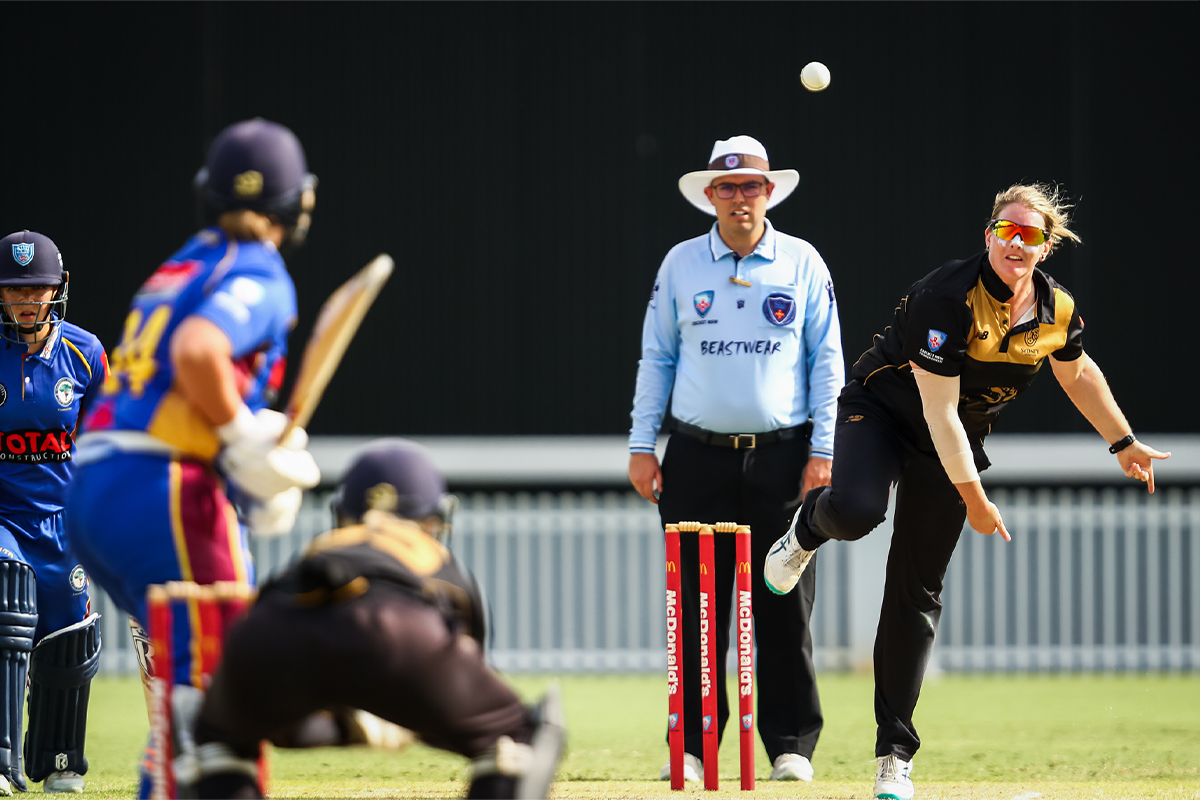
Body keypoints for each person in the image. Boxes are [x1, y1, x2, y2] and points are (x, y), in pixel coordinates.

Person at [763, 183, 1170, 800]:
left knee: (917, 591)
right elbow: (939, 409)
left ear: (1046, 246)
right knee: (858, 510)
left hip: (950, 442)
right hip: (883, 414)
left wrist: (1123, 441)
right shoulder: (947, 295)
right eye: (1007, 231)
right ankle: (804, 532)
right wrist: (976, 500)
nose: (1017, 243)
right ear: (989, 236)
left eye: (1031, 235)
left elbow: (1078, 371)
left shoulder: (1057, 309)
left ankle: (894, 755)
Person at [62, 119, 322, 795]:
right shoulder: (261, 271)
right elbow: (198, 353)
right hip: (160, 486)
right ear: (294, 201)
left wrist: (236, 459)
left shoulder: (183, 262)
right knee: (223, 687)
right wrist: (239, 436)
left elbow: (174, 381)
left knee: (186, 690)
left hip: (92, 483)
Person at [628, 135, 843, 782]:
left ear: (769, 192)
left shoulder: (801, 261)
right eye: (728, 187)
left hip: (784, 458)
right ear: (709, 196)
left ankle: (790, 747)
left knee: (783, 601)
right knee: (696, 608)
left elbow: (827, 361)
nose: (740, 197)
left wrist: (825, 449)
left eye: (751, 185)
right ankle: (693, 751)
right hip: (696, 457)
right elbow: (657, 358)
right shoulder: (681, 264)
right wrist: (643, 445)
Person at [189, 438, 566, 800]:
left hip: (272, 627)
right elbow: (464, 717)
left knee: (215, 740)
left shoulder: (320, 550)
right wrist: (402, 722)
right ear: (434, 518)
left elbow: (283, 726)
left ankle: (209, 754)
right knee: (522, 734)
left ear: (343, 513)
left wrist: (341, 728)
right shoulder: (433, 556)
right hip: (398, 626)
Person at [0, 230, 108, 795]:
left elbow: (101, 446)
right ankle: (0, 753)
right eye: (14, 289)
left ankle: (59, 758)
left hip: (63, 522)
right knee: (4, 591)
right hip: (3, 515)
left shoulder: (84, 353)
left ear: (57, 290)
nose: (26, 300)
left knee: (67, 632)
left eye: (37, 288)